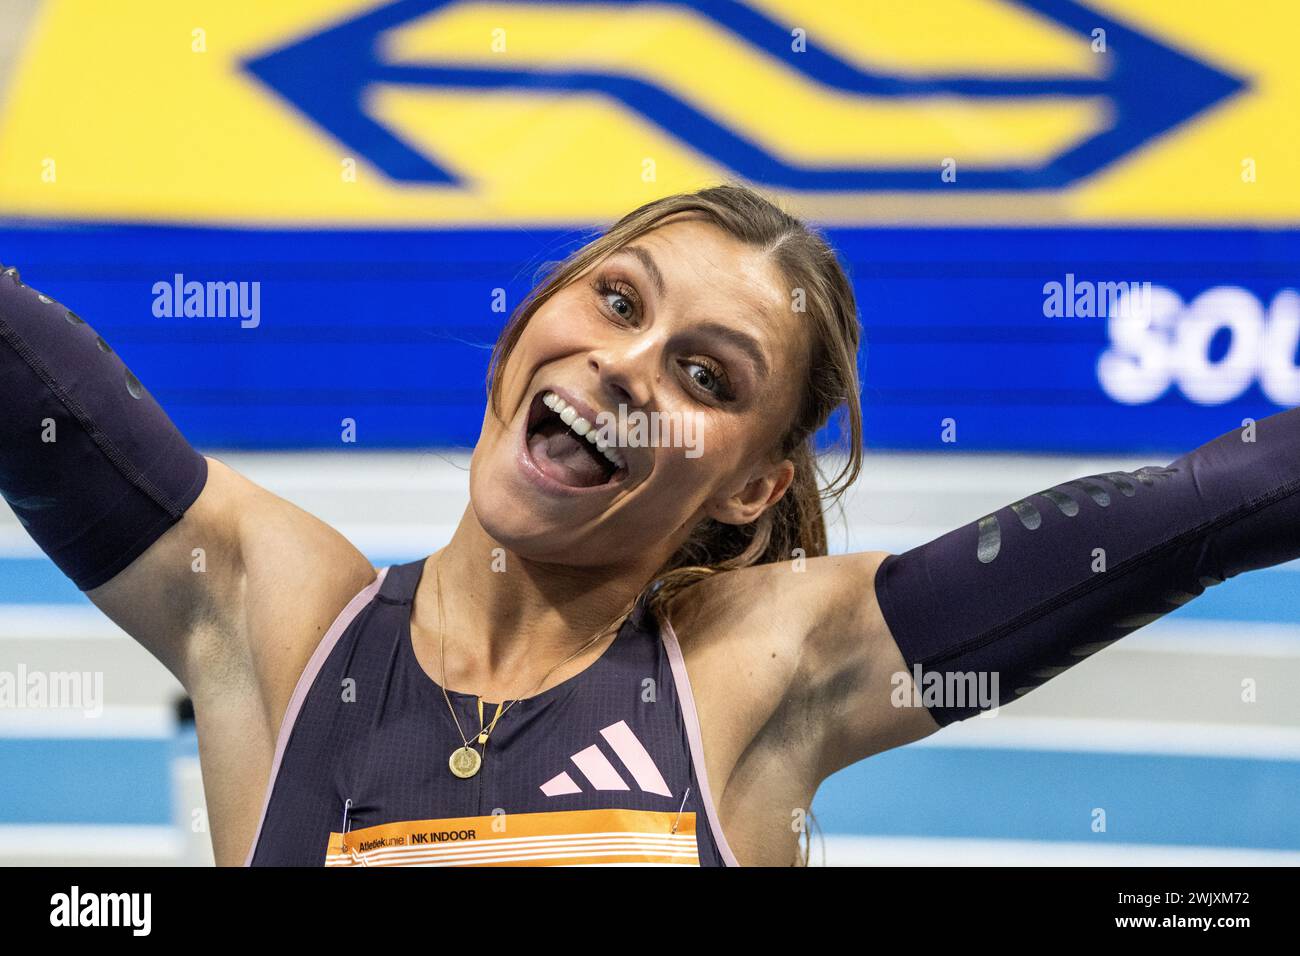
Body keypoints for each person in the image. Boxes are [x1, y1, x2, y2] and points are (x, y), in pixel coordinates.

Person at [1, 186, 1296, 867]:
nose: (630, 365)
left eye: (707, 376)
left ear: (751, 486)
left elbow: (1182, 519)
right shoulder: (288, 625)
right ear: (532, 319)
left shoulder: (757, 675)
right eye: (618, 302)